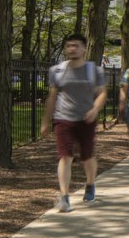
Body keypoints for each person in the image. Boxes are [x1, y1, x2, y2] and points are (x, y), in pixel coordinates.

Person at [40, 33, 107, 212]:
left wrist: (94, 109)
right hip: (63, 119)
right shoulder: (57, 71)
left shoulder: (94, 70)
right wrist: (46, 121)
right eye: (69, 46)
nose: (72, 49)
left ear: (84, 49)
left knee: (87, 156)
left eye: (76, 46)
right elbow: (52, 96)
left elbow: (102, 93)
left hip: (86, 119)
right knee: (65, 156)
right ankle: (64, 197)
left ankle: (90, 183)